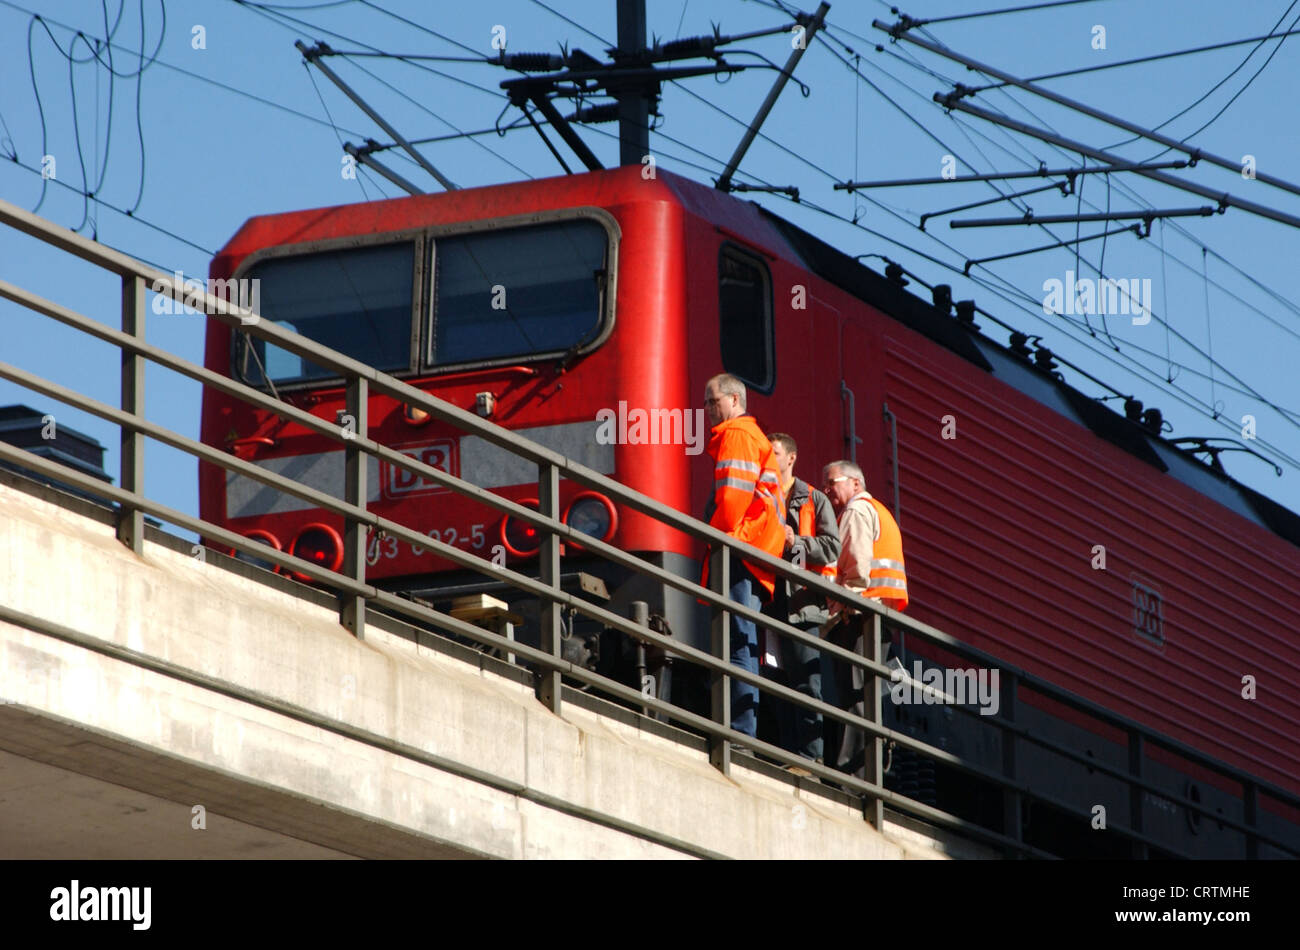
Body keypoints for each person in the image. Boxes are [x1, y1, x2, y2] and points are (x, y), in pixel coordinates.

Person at [701, 373, 787, 739]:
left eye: (712, 401)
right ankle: (744, 732)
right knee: (746, 644)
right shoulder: (754, 436)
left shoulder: (736, 435)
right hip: (754, 552)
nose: (707, 409)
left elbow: (734, 499)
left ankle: (737, 733)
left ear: (734, 401)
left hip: (738, 549)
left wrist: (715, 537)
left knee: (736, 642)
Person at [820, 460, 908, 778]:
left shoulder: (856, 511)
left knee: (853, 695)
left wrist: (842, 604)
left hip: (858, 615)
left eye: (832, 482)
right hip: (878, 616)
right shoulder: (880, 511)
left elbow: (857, 565)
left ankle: (851, 777)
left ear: (855, 484)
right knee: (867, 696)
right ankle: (867, 774)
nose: (826, 489)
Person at [763, 433, 840, 767]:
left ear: (790, 458)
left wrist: (800, 541)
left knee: (807, 684)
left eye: (774, 452)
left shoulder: (813, 498)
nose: (768, 456)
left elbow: (831, 547)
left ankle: (810, 760)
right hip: (770, 599)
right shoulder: (763, 492)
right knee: (777, 681)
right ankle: (787, 754)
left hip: (802, 604)